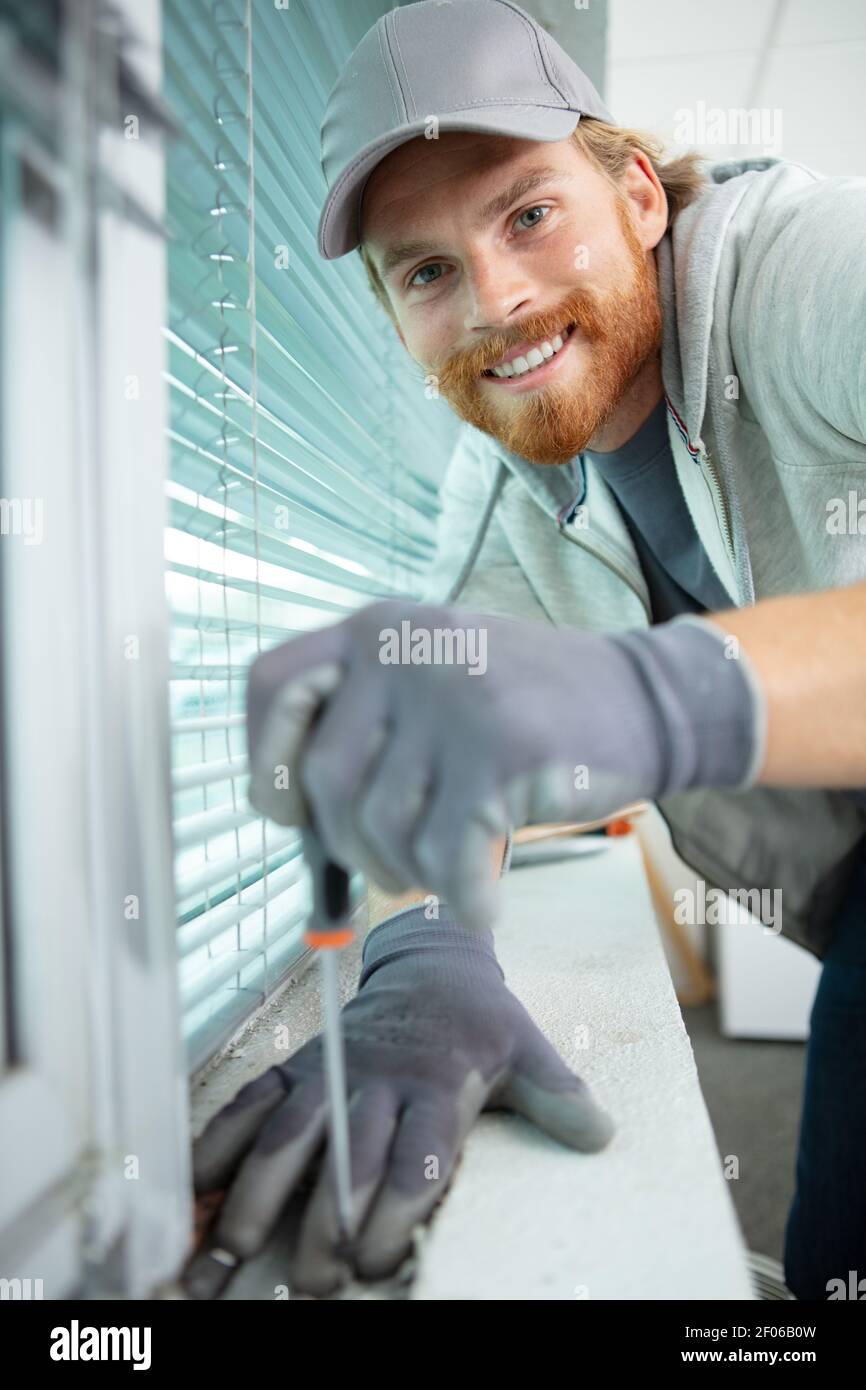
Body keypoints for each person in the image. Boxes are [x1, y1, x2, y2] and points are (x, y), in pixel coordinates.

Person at [188, 0, 866, 1299]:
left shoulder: (814, 264)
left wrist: (661, 694)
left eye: (527, 213)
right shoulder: (499, 485)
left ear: (635, 195)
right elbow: (444, 749)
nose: (496, 298)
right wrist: (424, 956)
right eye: (426, 271)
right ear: (396, 319)